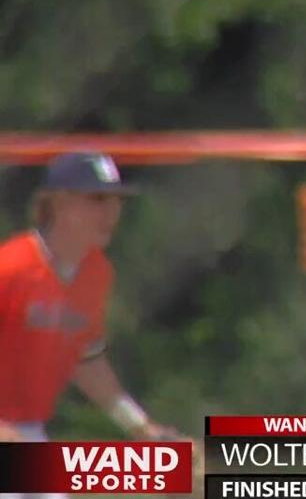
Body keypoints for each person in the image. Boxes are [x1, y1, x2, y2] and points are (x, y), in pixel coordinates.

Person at [0, 151, 177, 447]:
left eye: (116, 200)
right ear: (58, 203)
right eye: (96, 199)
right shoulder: (11, 268)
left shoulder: (96, 274)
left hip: (25, 433)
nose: (111, 212)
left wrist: (141, 427)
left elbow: (84, 360)